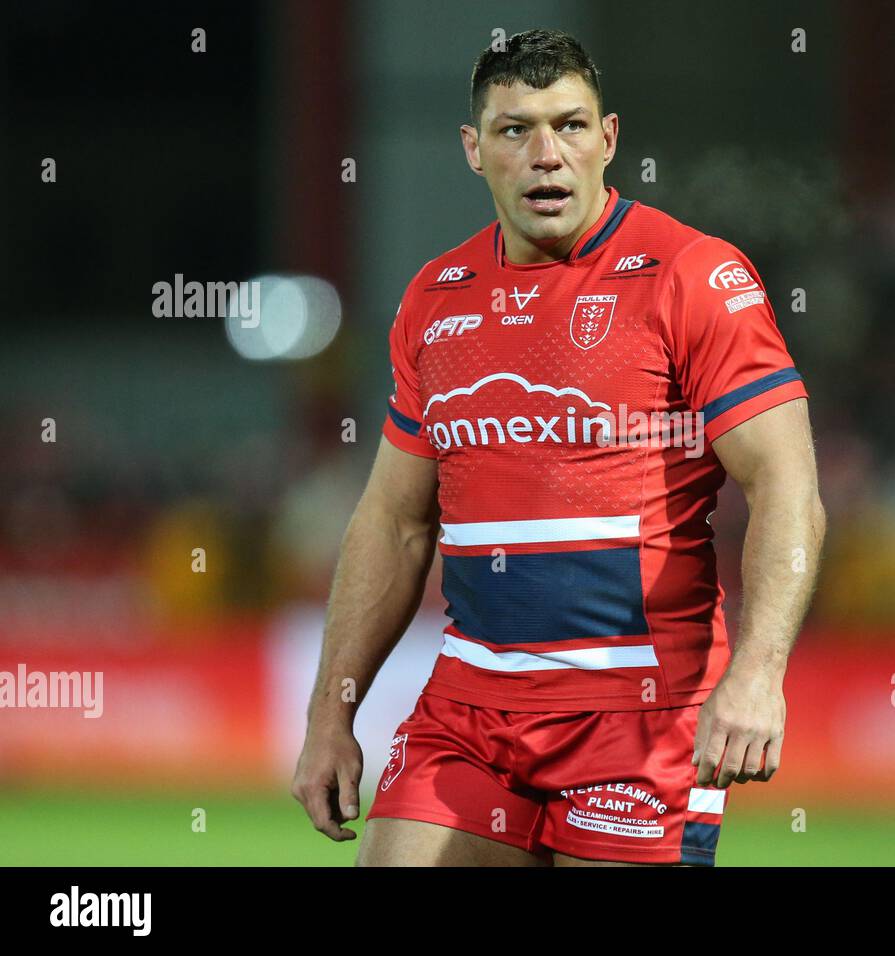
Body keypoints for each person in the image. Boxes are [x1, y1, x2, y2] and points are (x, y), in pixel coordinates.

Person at [291, 28, 825, 867]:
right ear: (473, 149)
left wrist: (758, 675)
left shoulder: (691, 276)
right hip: (469, 712)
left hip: (641, 719)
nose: (547, 154)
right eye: (515, 130)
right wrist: (331, 714)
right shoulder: (436, 299)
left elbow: (786, 484)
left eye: (570, 125)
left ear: (608, 139)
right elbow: (394, 523)